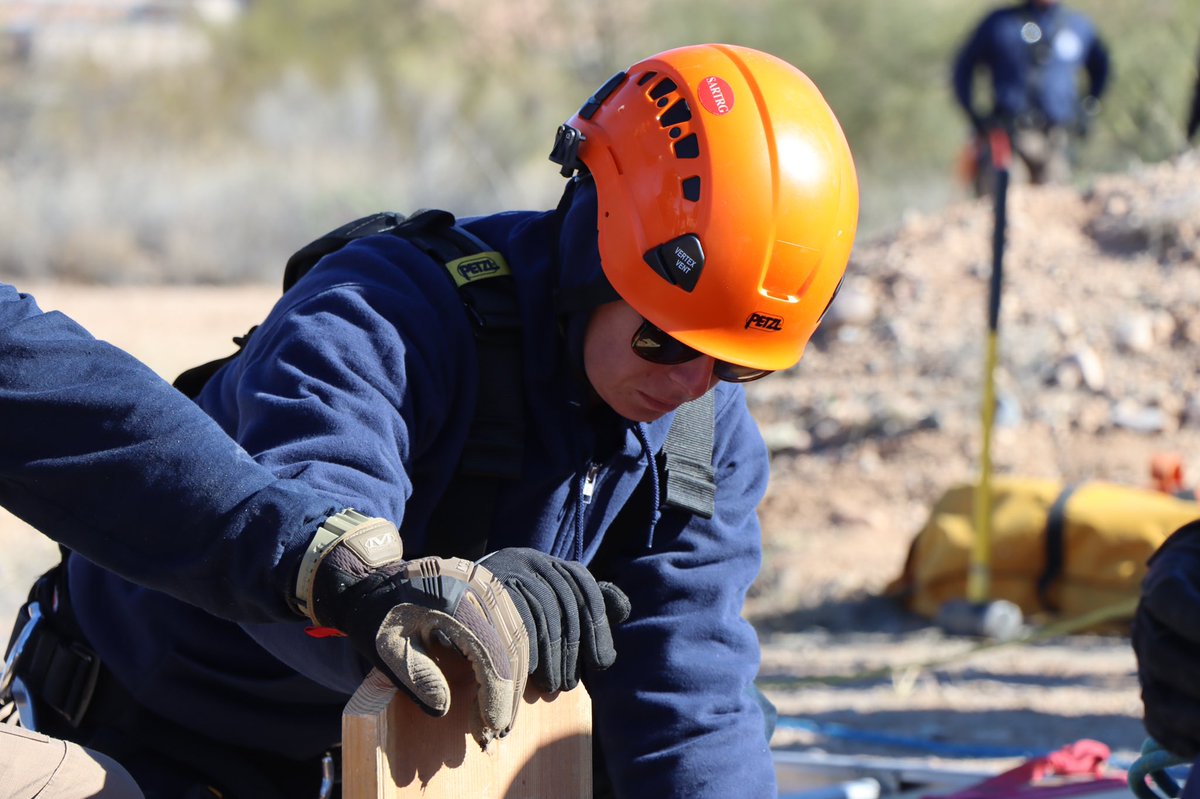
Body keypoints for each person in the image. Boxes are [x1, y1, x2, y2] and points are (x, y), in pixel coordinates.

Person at [19, 43, 859, 798]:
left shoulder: (697, 425)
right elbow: (311, 551)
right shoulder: (380, 316)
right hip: (152, 736)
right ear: (592, 249)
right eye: (663, 338)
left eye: (736, 363)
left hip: (389, 763)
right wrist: (457, 594)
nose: (692, 382)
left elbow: (689, 694)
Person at [0, 282, 550, 796]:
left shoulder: (626, 425)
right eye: (642, 340)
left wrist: (327, 562)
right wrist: (348, 577)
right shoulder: (372, 309)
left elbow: (60, 390)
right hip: (122, 712)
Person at [952, 0, 1110, 193]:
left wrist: (1089, 107)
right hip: (1009, 137)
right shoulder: (1000, 23)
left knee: (1055, 206)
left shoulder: (1078, 26)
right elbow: (963, 67)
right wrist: (974, 115)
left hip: (1056, 139)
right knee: (1007, 204)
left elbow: (1102, 66)